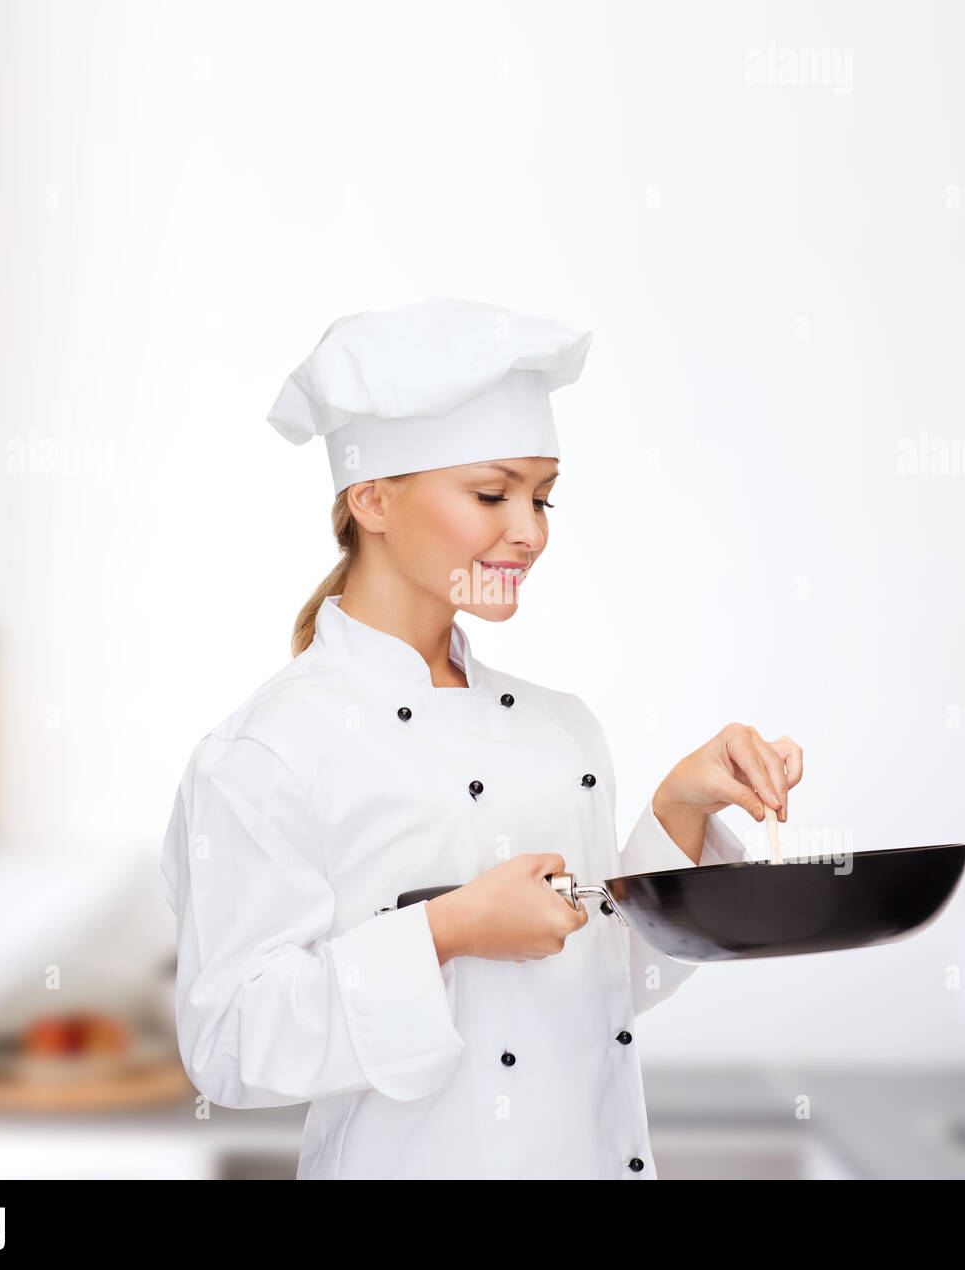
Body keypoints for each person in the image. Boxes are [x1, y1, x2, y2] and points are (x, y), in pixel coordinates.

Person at [159, 296, 804, 1179]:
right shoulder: (269, 752)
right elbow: (231, 1041)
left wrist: (680, 807)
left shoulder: (560, 731)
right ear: (373, 498)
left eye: (542, 497)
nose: (530, 532)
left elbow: (602, 989)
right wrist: (445, 932)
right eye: (492, 493)